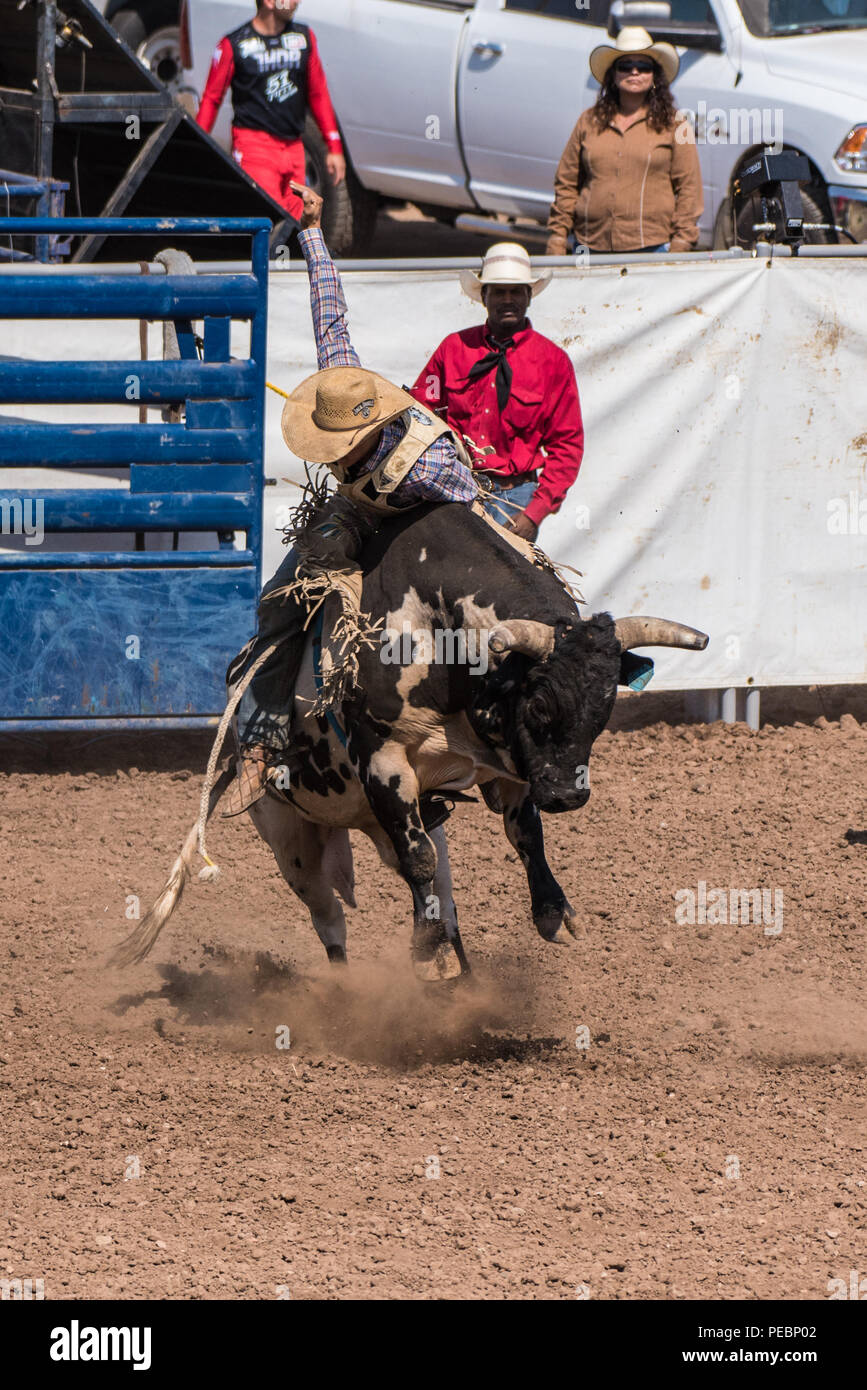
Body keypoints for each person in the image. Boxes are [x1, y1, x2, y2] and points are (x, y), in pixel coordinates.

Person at [222, 180, 480, 816]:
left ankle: (466, 752)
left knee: (457, 627)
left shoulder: (431, 462)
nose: (332, 453)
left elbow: (467, 507)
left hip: (428, 526)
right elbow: (329, 311)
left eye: (341, 444)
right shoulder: (346, 384)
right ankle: (259, 742)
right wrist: (311, 231)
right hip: (359, 515)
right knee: (281, 603)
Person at [409, 243, 584, 544]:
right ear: (483, 296)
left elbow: (567, 445)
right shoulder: (453, 349)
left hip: (515, 499)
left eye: (516, 291)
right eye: (498, 291)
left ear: (529, 297)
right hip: (452, 491)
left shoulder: (552, 362)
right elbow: (420, 414)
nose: (507, 300)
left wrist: (534, 513)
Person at [546, 26, 702, 257]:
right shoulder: (589, 120)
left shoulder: (676, 124)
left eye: (644, 66)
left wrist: (681, 244)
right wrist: (558, 237)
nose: (635, 72)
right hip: (589, 246)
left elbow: (690, 188)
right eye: (625, 66)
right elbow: (566, 182)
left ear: (655, 75)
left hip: (653, 248)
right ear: (613, 74)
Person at [196, 0, 346, 223]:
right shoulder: (233, 43)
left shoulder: (304, 38)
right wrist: (199, 144)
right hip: (254, 146)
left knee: (297, 226)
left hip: (294, 147)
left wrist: (334, 147)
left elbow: (318, 93)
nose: (297, 1)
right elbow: (211, 99)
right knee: (268, 220)